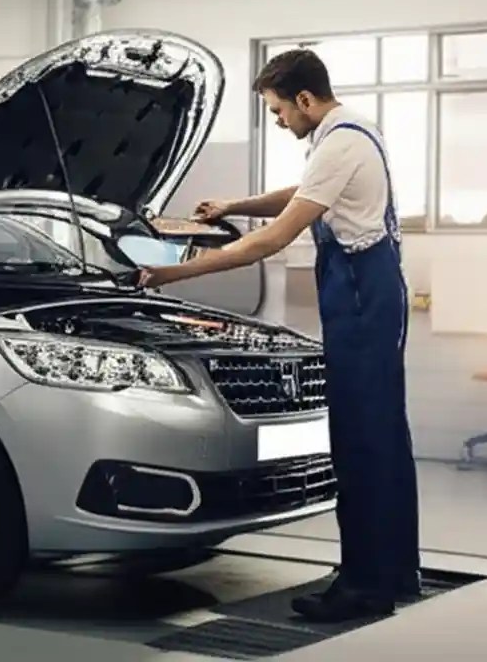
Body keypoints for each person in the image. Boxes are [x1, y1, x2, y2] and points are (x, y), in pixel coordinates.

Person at [138, 48, 420, 622]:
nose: (278, 121)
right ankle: (395, 568)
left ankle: (365, 587)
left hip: (362, 299)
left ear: (306, 100)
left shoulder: (339, 142)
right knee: (385, 437)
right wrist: (236, 205)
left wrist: (175, 271)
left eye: (278, 111)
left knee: (361, 443)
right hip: (374, 293)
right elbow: (302, 194)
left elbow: (270, 241)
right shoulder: (349, 131)